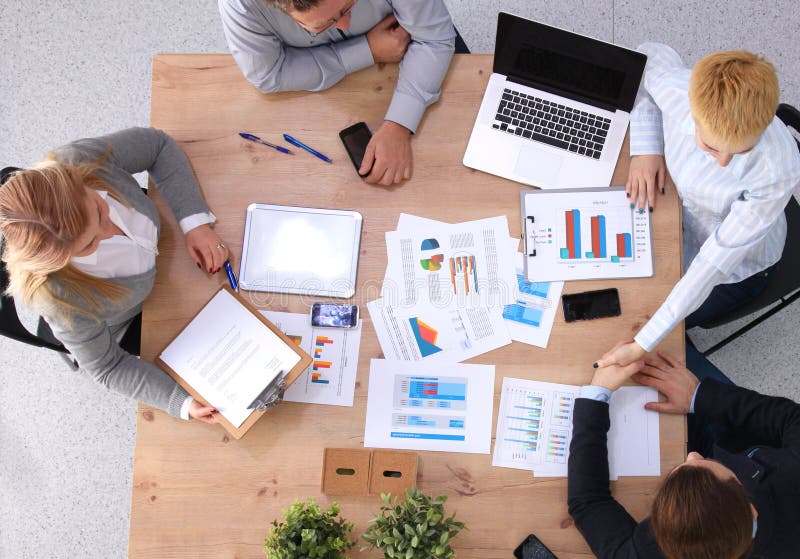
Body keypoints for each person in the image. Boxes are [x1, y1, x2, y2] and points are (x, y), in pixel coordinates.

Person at [0, 128, 227, 423]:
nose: (110, 231)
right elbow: (107, 367)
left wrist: (194, 222)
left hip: (171, 258)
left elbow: (158, 146)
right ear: (60, 261)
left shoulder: (80, 158)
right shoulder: (60, 300)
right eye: (90, 244)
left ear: (74, 176)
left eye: (98, 207)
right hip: (131, 315)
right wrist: (179, 402)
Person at [595, 44, 800, 369]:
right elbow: (650, 56)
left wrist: (644, 341)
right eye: (710, 146)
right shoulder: (679, 88)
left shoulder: (776, 172)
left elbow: (712, 264)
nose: (722, 163)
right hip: (680, 218)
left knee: (635, 321)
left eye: (740, 152)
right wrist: (647, 147)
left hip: (738, 268)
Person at [568, 343, 800, 558]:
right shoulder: (792, 470)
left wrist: (595, 396)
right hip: (736, 432)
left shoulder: (666, 543)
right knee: (661, 350)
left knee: (660, 349)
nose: (692, 455)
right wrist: (697, 395)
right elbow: (791, 418)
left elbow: (588, 504)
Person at [218, 0, 457, 186]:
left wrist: (399, 124)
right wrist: (367, 50)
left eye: (349, 5)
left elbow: (434, 39)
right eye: (320, 25)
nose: (345, 24)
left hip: (412, 45)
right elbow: (270, 73)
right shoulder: (240, 7)